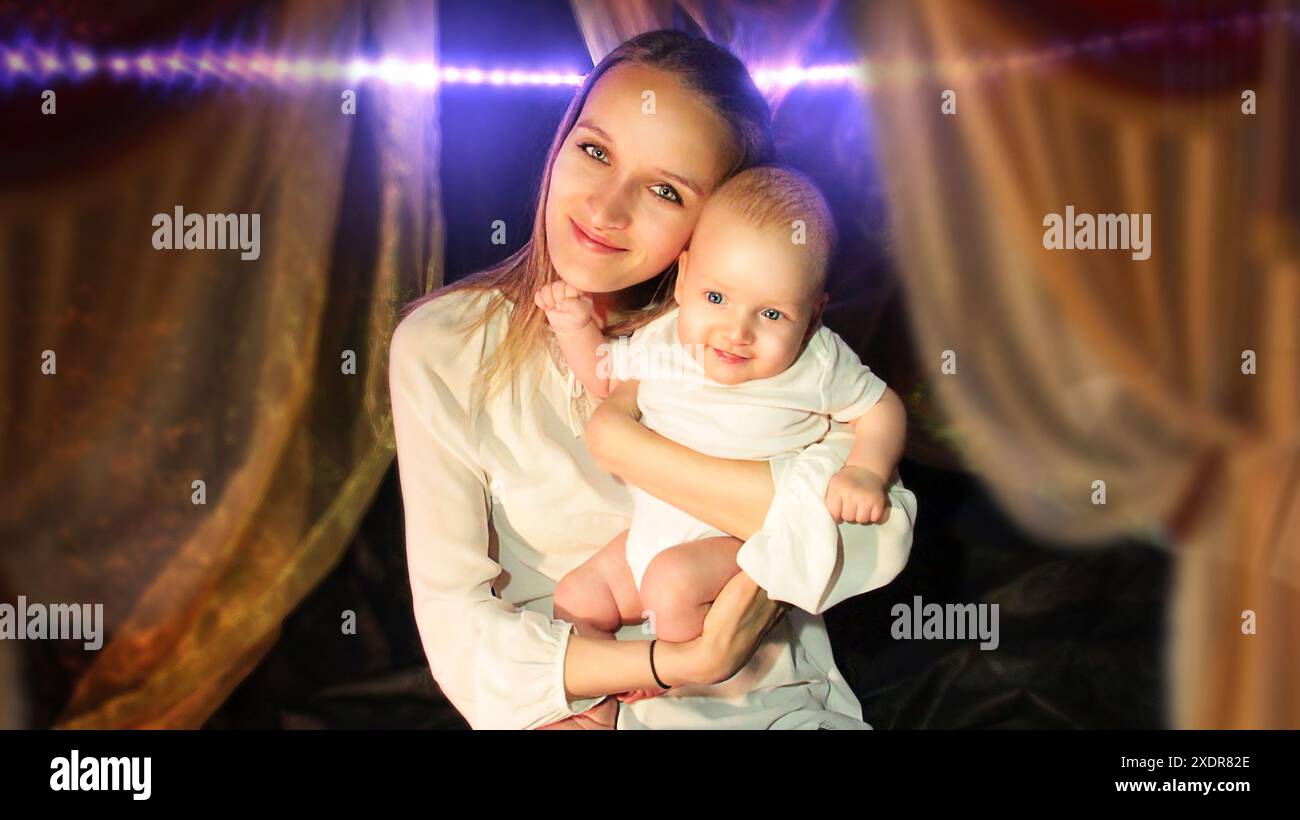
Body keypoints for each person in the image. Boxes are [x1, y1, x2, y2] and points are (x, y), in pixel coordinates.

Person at [389, 30, 917, 730]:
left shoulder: (741, 344)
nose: (605, 211)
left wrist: (630, 449)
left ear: (716, 225)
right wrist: (674, 664)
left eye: (666, 190)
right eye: (595, 150)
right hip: (565, 705)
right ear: (562, 140)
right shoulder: (445, 346)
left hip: (766, 705)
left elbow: (882, 530)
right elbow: (459, 632)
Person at [536, 166, 907, 704]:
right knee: (577, 595)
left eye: (772, 313)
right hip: (651, 535)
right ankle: (605, 689)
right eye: (716, 298)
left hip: (730, 545)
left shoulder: (817, 362)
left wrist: (866, 471)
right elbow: (606, 380)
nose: (737, 331)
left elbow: (881, 408)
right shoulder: (662, 339)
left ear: (812, 315)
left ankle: (676, 675)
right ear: (684, 280)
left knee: (670, 585)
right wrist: (575, 326)